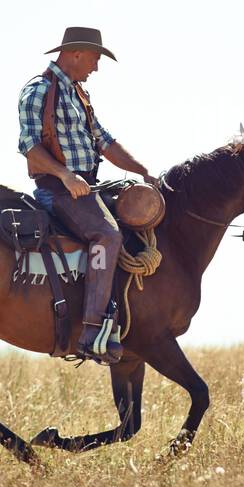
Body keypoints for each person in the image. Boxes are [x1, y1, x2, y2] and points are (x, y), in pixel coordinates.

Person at [17, 27, 155, 364]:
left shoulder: (79, 95)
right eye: (95, 59)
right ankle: (92, 331)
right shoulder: (38, 90)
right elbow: (29, 147)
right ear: (75, 53)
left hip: (87, 185)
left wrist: (142, 172)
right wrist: (65, 175)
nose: (96, 67)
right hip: (59, 189)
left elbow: (104, 142)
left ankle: (119, 316)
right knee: (107, 234)